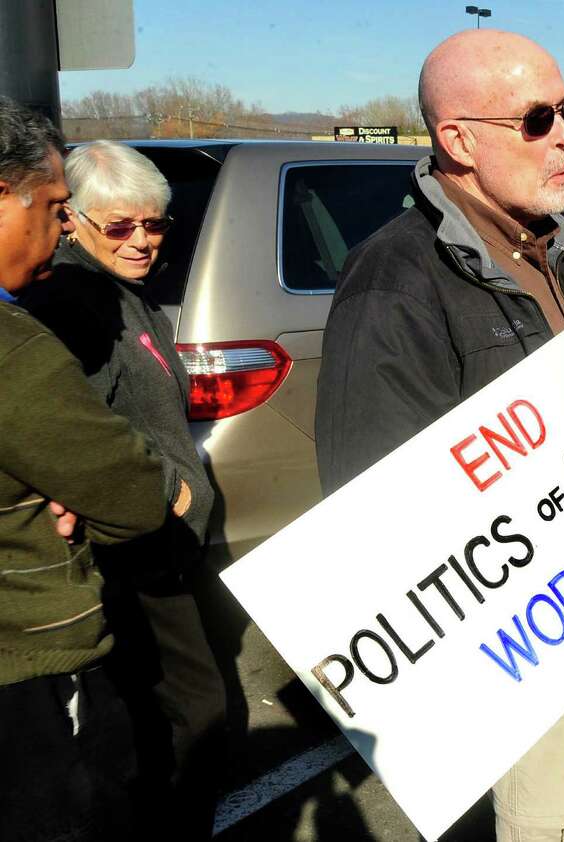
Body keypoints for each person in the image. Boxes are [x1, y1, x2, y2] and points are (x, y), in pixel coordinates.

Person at [315, 30, 564, 841]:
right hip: (531, 669)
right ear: (458, 140)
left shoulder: (556, 254)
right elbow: (376, 512)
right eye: (538, 117)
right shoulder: (395, 282)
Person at [20, 140, 226, 840]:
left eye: (155, 223)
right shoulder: (74, 301)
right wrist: (170, 494)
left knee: (151, 716)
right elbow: (71, 430)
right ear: (72, 220)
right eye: (120, 226)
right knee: (194, 714)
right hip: (132, 549)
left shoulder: (121, 291)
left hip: (161, 545)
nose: (142, 240)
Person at [0, 97, 168, 840]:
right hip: (26, 673)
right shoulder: (18, 347)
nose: (61, 226)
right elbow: (129, 495)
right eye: (57, 207)